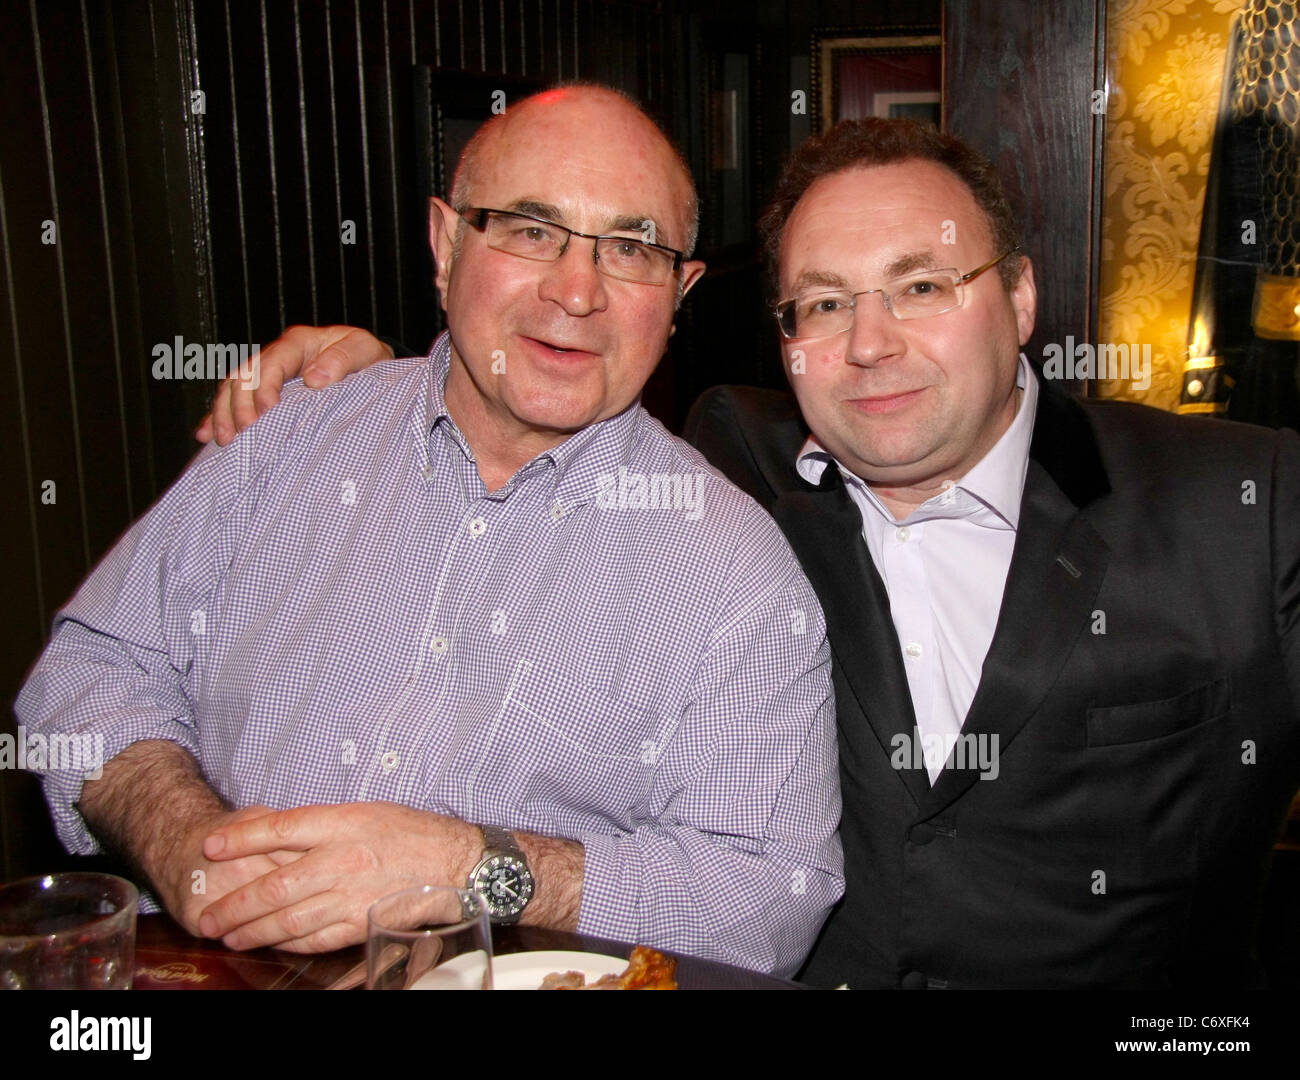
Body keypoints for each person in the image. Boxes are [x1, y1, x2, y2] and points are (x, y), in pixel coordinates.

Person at [223, 116, 1300, 990]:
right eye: (824, 303)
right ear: (783, 340)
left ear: (1017, 297)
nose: (870, 343)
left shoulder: (1240, 506)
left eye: (922, 286)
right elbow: (519, 415)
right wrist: (373, 381)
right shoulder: (724, 472)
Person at [15, 85, 844, 976]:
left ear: (679, 293)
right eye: (530, 230)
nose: (576, 291)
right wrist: (189, 845)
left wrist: (477, 870)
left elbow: (769, 897)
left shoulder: (735, 578)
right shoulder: (284, 437)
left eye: (631, 248)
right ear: (447, 247)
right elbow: (90, 669)